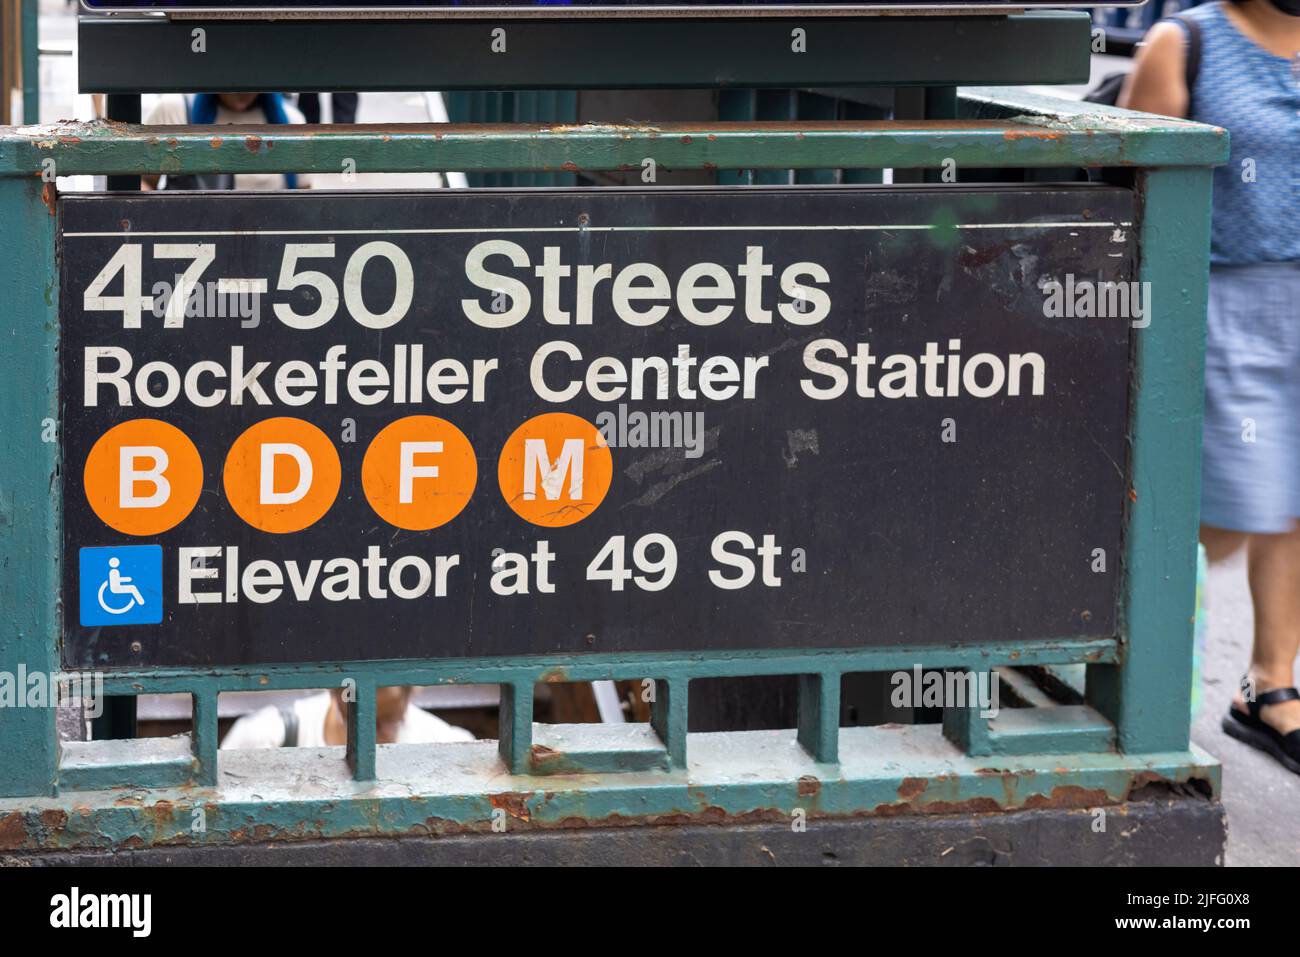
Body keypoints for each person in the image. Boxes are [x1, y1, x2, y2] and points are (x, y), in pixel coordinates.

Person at [1121, 0, 1300, 775]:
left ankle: (1270, 686)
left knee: (1291, 502)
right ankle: (1133, 668)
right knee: (1223, 514)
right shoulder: (1184, 41)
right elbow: (1138, 185)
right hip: (1221, 299)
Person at [142, 92, 310, 191]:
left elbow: (304, 195)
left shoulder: (291, 119)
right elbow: (142, 183)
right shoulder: (175, 109)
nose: (242, 90)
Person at [221, 686, 474, 749]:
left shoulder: (446, 743)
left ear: (410, 699)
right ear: (333, 694)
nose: (371, 736)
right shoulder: (268, 737)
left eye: (386, 722)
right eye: (357, 720)